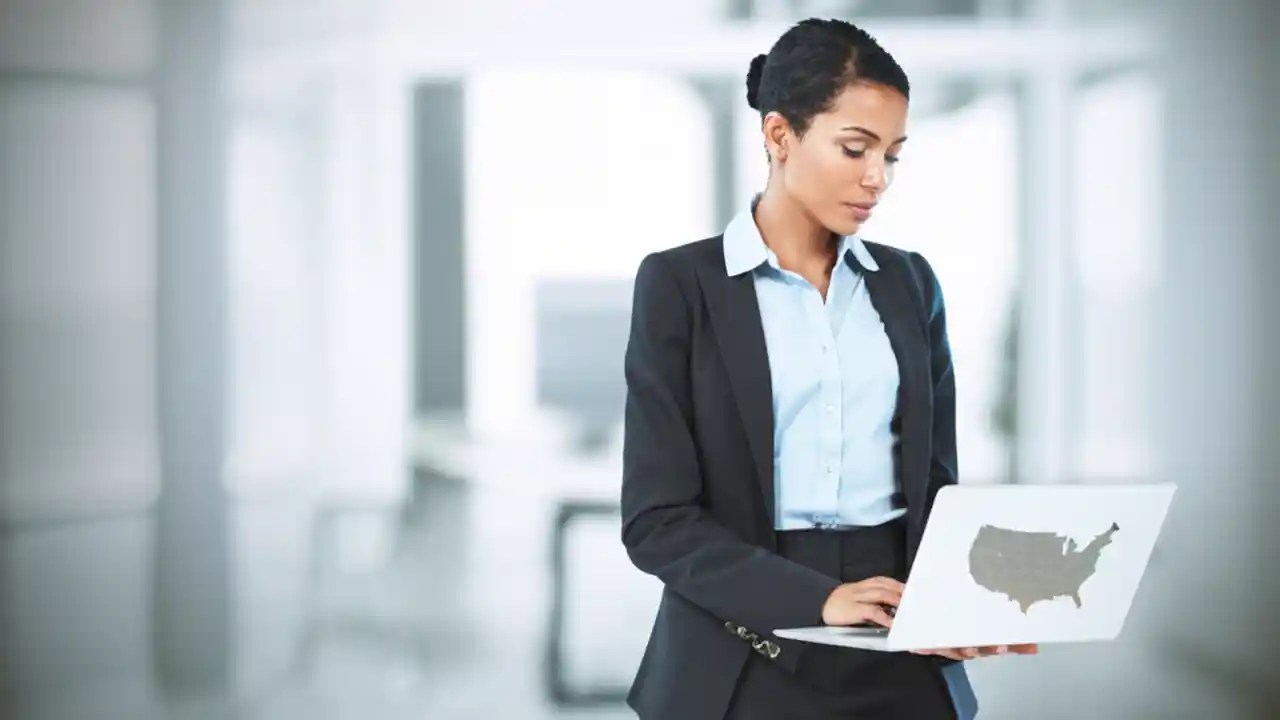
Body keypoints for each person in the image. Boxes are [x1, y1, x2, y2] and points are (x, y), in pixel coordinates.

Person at [620, 17, 1037, 719]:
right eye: (855, 148)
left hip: (899, 637)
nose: (877, 178)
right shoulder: (680, 285)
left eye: (893, 155)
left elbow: (936, 484)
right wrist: (815, 597)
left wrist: (969, 598)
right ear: (779, 136)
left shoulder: (910, 285)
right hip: (741, 642)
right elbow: (657, 520)